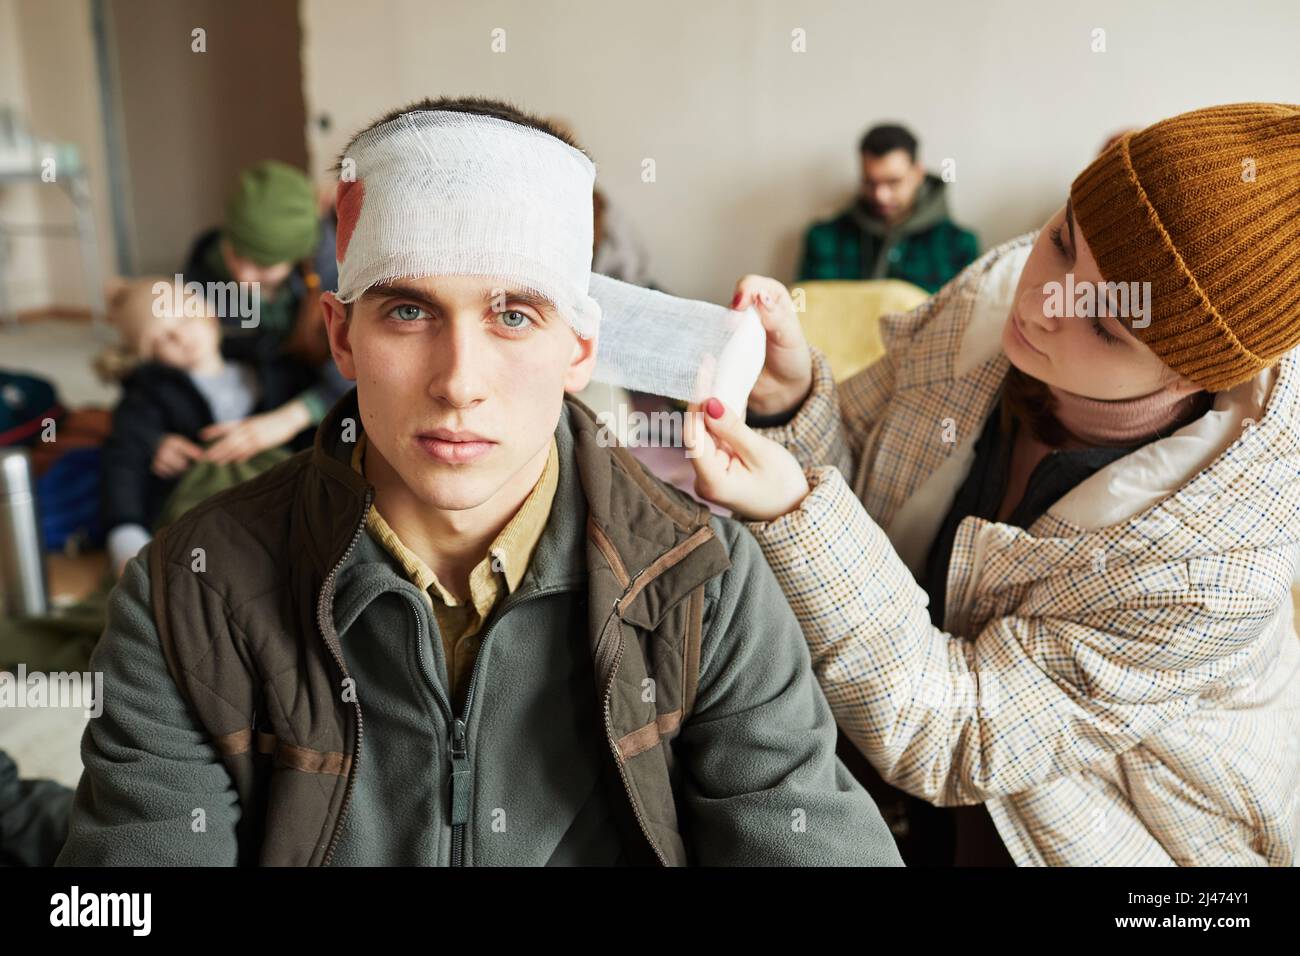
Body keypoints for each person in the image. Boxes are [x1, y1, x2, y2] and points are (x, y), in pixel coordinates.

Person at [56, 96, 901, 867]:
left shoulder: (701, 587)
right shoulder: (188, 595)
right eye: (409, 311)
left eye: (514, 314)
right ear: (343, 339)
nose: (459, 380)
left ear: (579, 348)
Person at [687, 102, 1300, 866]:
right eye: (1062, 242)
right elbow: (862, 494)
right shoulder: (986, 302)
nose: (1043, 304)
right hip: (904, 782)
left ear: (1193, 378)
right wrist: (790, 402)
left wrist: (795, 510)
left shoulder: (1218, 569)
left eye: (1104, 323)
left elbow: (958, 734)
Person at [96, 278, 309, 577]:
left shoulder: (269, 364)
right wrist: (125, 533)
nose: (180, 338)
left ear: (208, 314)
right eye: (162, 338)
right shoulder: (149, 395)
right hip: (207, 506)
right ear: (149, 357)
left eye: (184, 318)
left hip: (278, 493)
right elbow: (123, 455)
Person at [182, 159, 350, 428]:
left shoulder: (336, 274)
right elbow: (175, 372)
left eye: (263, 266)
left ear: (296, 258)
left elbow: (358, 367)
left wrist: (290, 419)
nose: (244, 276)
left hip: (317, 414)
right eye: (236, 254)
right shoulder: (202, 274)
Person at [798, 123, 978, 292]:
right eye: (870, 182)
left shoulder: (958, 245)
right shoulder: (825, 239)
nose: (880, 195)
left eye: (893, 182)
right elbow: (808, 309)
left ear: (917, 174)